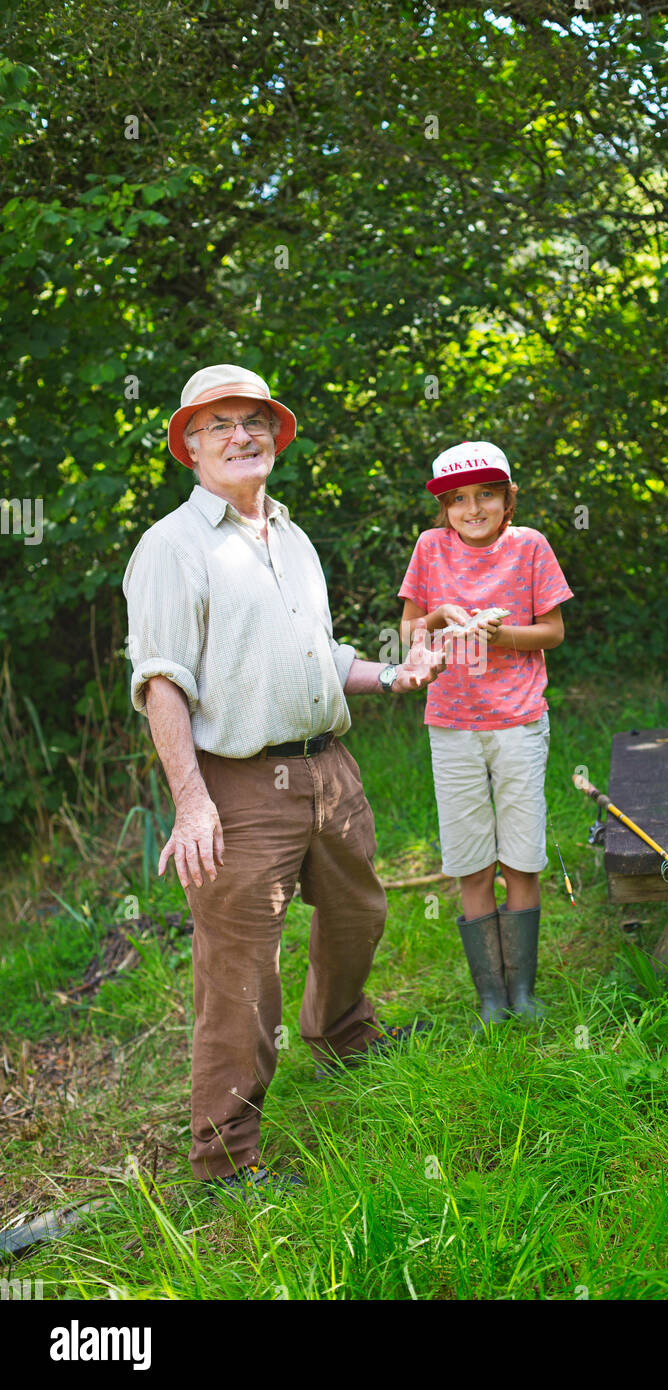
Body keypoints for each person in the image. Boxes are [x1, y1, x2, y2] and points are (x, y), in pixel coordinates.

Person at [123, 364, 447, 1196]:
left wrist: (394, 676)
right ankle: (226, 1157)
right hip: (236, 783)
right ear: (190, 446)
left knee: (359, 913)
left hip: (327, 769)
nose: (242, 435)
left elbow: (321, 656)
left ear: (276, 434)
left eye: (254, 420)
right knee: (242, 977)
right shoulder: (172, 547)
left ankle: (340, 1033)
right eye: (220, 423)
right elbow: (162, 682)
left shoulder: (292, 537)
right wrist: (191, 805)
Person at [398, 441, 573, 1028]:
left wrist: (502, 638)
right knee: (472, 864)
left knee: (521, 860)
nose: (473, 509)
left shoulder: (530, 547)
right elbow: (408, 629)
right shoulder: (430, 548)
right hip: (453, 726)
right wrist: (435, 621)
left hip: (519, 721)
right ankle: (490, 1000)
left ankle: (524, 993)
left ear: (507, 498)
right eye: (459, 500)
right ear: (444, 507)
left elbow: (552, 632)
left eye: (487, 495)